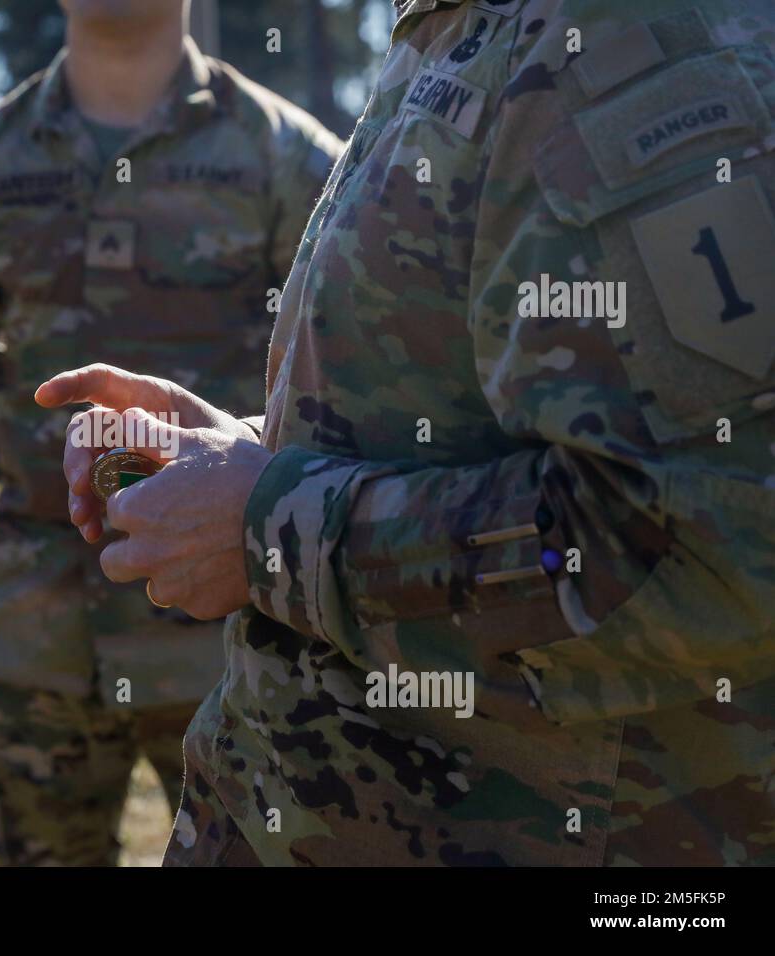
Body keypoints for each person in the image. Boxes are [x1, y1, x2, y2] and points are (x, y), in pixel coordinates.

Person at [38, 0, 775, 865]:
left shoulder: (612, 30)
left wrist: (268, 528)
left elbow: (711, 543)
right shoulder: (460, 30)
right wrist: (250, 454)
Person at [0, 0, 342, 864]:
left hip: (236, 626)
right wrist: (42, 465)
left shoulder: (290, 158)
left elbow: (341, 368)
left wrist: (233, 483)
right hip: (36, 633)